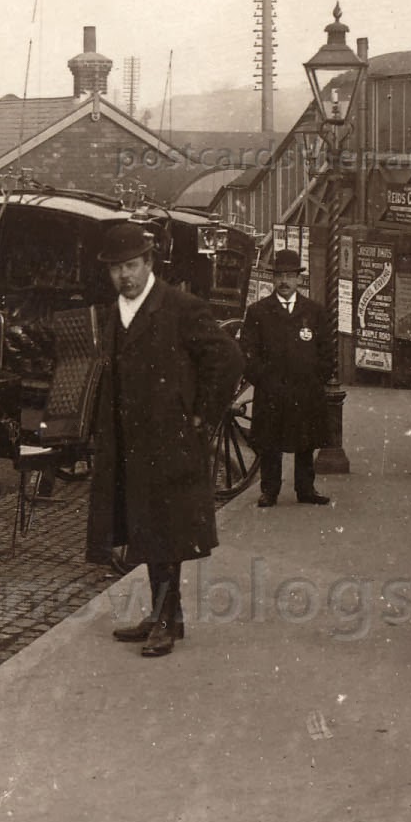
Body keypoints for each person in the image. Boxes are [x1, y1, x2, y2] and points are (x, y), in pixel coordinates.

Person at [85, 222, 243, 658]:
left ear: (149, 263)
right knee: (146, 529)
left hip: (168, 442)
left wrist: (201, 415)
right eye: (116, 269)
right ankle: (164, 616)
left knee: (165, 532)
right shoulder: (115, 311)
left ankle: (166, 623)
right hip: (129, 442)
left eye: (131, 266)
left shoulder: (179, 307)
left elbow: (228, 358)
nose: (125, 277)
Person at [239, 248, 335, 507]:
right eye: (279, 275)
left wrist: (316, 379)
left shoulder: (314, 311)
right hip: (272, 390)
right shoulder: (258, 311)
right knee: (271, 442)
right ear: (273, 279)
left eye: (290, 276)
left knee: (306, 441)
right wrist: (263, 380)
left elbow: (327, 351)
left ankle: (306, 489)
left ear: (298, 279)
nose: (284, 281)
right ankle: (269, 490)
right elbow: (247, 353)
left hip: (306, 389)